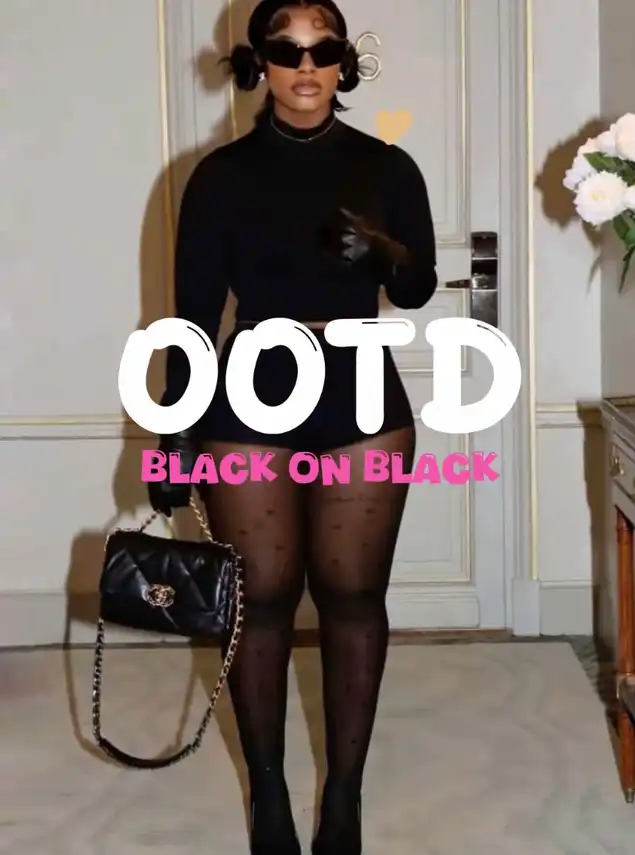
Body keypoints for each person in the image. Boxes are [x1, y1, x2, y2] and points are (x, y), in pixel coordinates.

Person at [148, 1, 437, 852]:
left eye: (322, 49)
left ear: (344, 61)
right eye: (286, 50)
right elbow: (193, 316)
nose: (305, 66)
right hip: (249, 397)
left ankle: (343, 799)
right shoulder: (219, 177)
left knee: (353, 598)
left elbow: (417, 287)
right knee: (262, 601)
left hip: (359, 399)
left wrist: (386, 250)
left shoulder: (389, 165)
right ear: (259, 63)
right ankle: (268, 793)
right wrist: (175, 433)